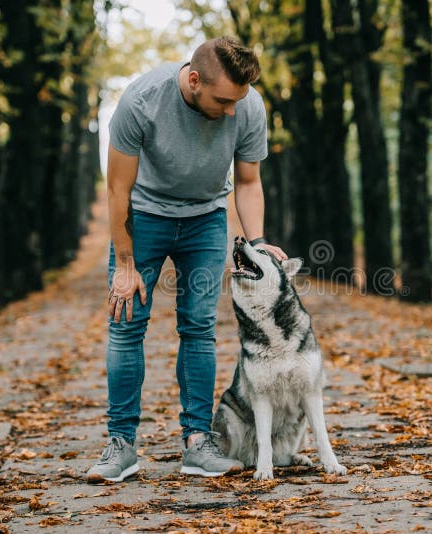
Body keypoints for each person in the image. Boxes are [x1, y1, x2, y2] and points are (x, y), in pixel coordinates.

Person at [86, 36, 288, 483]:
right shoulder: (142, 101)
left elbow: (249, 181)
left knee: (198, 328)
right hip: (144, 218)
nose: (232, 110)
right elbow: (118, 190)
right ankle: (121, 446)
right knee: (126, 324)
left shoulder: (248, 105)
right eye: (223, 100)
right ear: (194, 80)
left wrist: (256, 242)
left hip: (205, 220)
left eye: (238, 100)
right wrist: (124, 263)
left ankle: (198, 442)